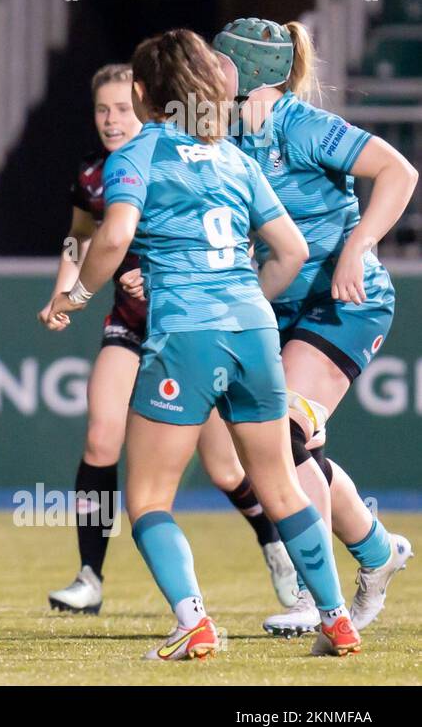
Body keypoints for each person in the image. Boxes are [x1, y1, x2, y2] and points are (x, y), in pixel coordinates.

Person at [47, 28, 361, 659]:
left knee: (148, 499)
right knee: (281, 487)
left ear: (139, 92)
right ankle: (336, 618)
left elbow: (111, 239)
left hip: (185, 337)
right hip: (254, 331)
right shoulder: (235, 158)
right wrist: (248, 298)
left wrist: (75, 297)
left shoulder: (137, 155)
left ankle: (194, 620)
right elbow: (293, 250)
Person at [41, 64, 297, 615]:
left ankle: (273, 543)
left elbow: (241, 234)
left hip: (190, 328)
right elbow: (82, 236)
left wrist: (153, 276)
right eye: (101, 110)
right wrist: (64, 290)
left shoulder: (193, 155)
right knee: (100, 440)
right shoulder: (95, 172)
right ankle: (90, 577)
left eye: (121, 109)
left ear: (146, 103)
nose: (111, 121)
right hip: (134, 325)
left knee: (228, 469)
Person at [208, 17, 418, 636]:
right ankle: (377, 552)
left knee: (287, 435)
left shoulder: (300, 125)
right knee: (286, 447)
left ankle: (310, 593)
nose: (205, 71)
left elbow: (399, 171)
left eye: (217, 62)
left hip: (345, 302)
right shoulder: (219, 132)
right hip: (277, 310)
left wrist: (358, 247)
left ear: (245, 73)